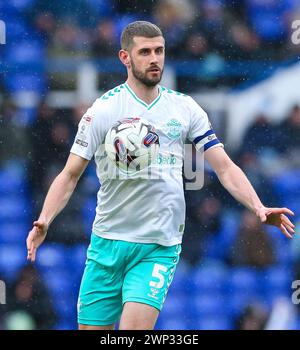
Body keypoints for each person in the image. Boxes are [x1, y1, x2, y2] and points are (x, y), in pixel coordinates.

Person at [26, 21, 295, 330]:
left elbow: (225, 166)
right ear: (125, 58)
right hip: (107, 244)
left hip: (158, 246)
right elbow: (70, 174)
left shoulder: (185, 108)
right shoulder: (103, 110)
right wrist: (45, 218)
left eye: (159, 51)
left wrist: (258, 206)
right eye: (144, 52)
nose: (154, 59)